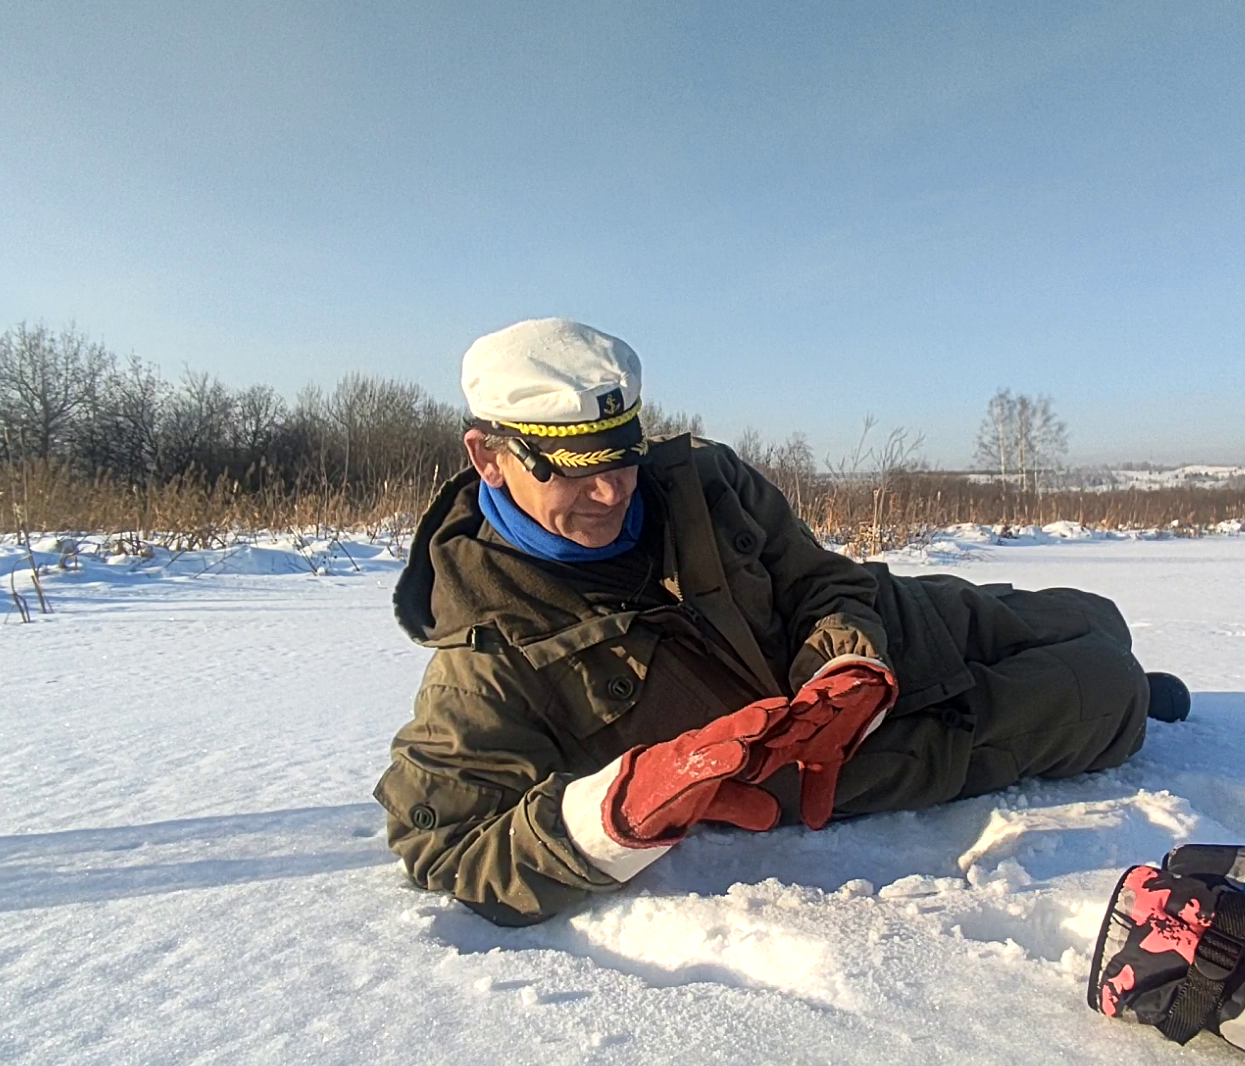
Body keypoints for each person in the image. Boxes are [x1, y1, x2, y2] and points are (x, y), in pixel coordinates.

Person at [375, 317, 1186, 926]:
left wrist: (843, 665)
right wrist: (616, 812)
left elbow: (820, 579)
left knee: (1097, 618)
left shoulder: (703, 479)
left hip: (892, 633)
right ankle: (1123, 698)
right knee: (1108, 691)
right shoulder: (486, 649)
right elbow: (444, 842)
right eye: (575, 470)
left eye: (622, 459)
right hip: (847, 761)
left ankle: (1107, 680)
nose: (611, 493)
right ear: (488, 456)